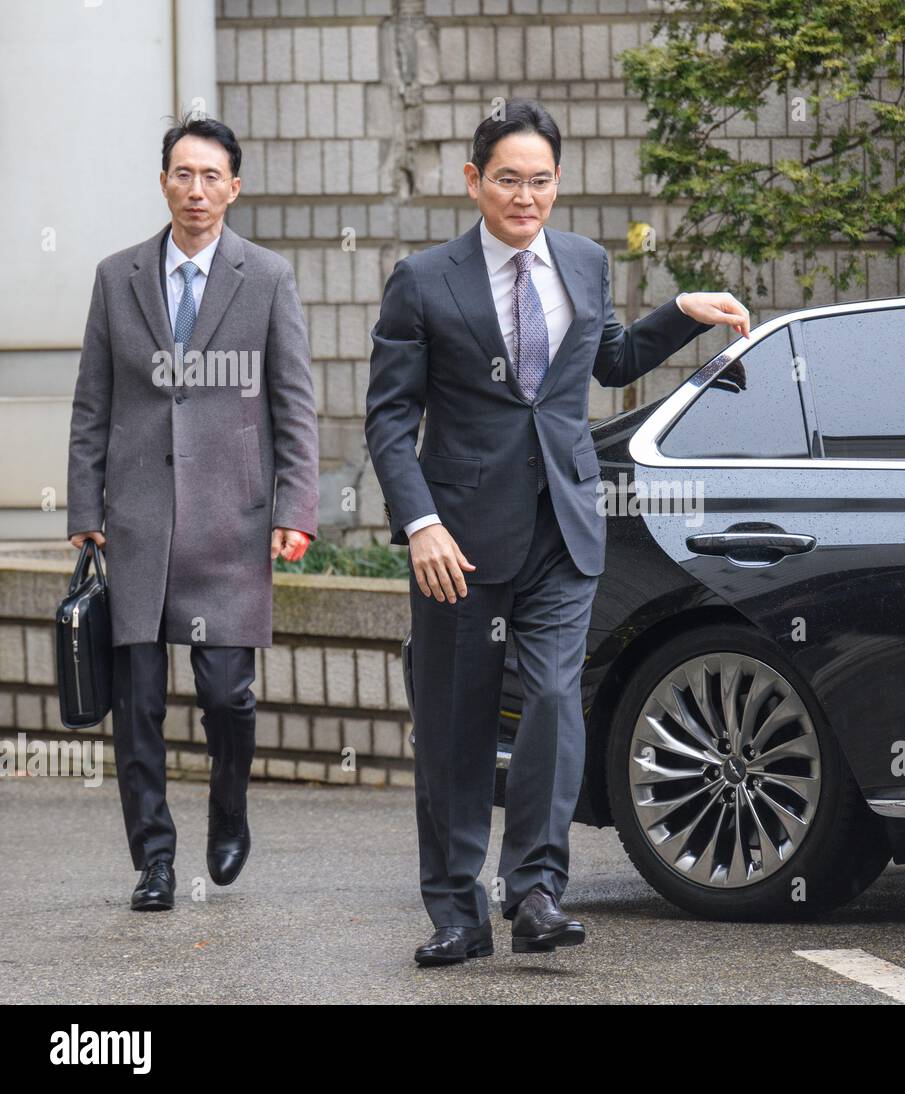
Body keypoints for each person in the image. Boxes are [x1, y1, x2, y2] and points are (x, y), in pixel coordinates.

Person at [366, 98, 749, 966]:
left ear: (558, 183)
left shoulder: (583, 261)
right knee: (458, 722)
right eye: (508, 179)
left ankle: (535, 890)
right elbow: (389, 420)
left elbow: (606, 363)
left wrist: (681, 312)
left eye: (541, 180)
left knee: (549, 699)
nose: (526, 196)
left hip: (565, 529)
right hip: (457, 541)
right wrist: (419, 521)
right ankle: (457, 911)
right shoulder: (424, 281)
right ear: (474, 181)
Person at [65, 113, 319, 911]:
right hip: (137, 521)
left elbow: (294, 403)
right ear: (164, 181)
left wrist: (296, 506)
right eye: (183, 173)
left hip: (230, 520)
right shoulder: (118, 277)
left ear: (234, 188)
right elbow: (92, 404)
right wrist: (84, 501)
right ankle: (155, 859)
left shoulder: (267, 278)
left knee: (225, 694)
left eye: (212, 176)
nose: (197, 189)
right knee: (136, 701)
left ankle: (229, 810)